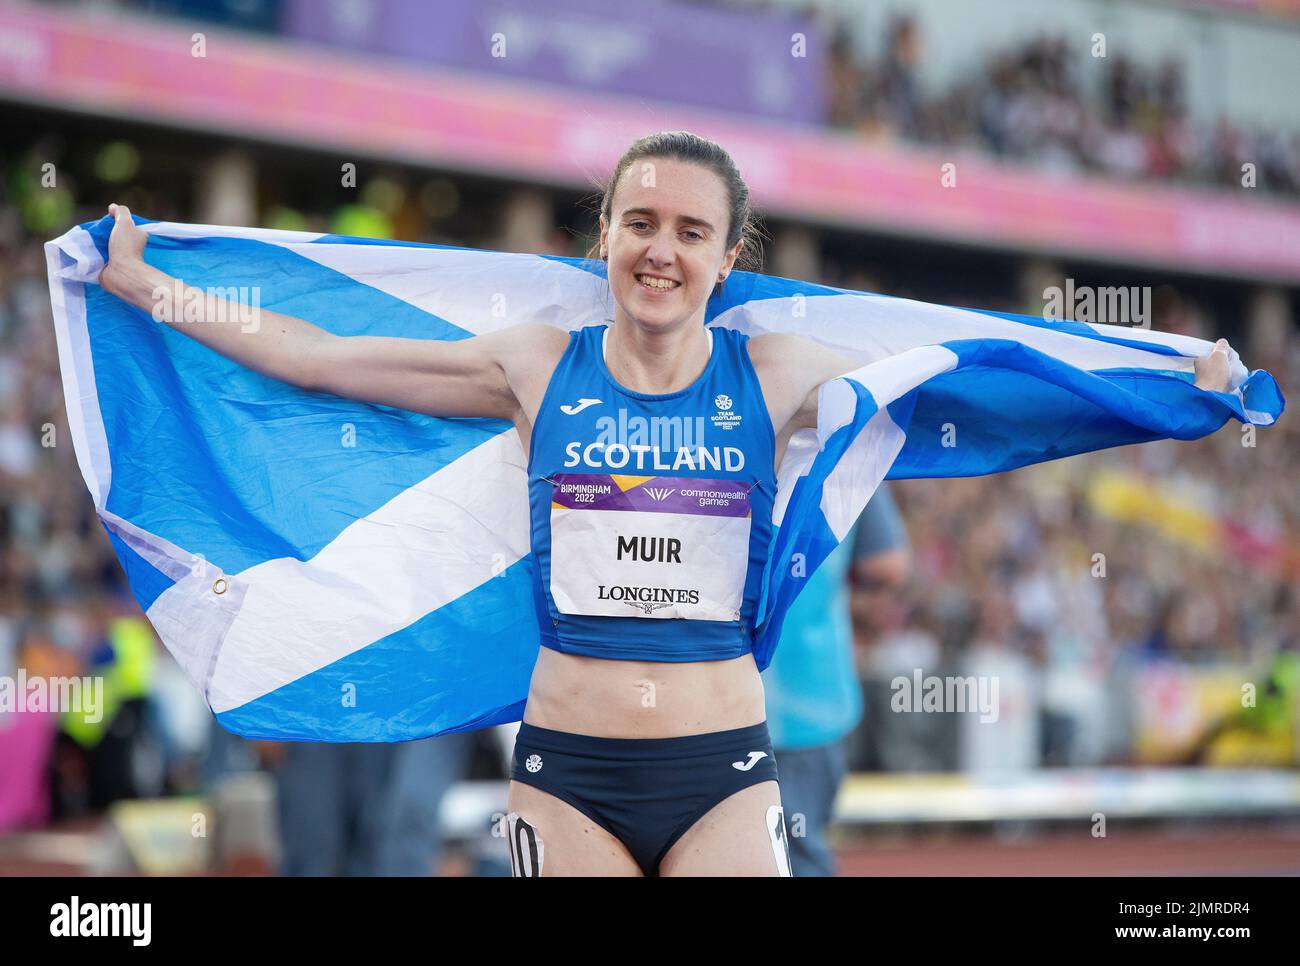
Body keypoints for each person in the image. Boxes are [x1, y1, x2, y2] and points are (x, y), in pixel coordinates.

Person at [96, 130, 1236, 877]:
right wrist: (149, 288)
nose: (660, 250)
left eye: (690, 231)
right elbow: (321, 359)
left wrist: (1174, 384)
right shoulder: (535, 367)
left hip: (725, 776)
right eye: (640, 224)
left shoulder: (779, 373)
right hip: (569, 776)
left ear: (725, 256)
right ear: (604, 236)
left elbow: (987, 364)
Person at [763, 484, 909, 876]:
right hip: (811, 698)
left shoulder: (713, 440)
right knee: (801, 855)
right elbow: (887, 564)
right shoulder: (847, 446)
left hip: (714, 695)